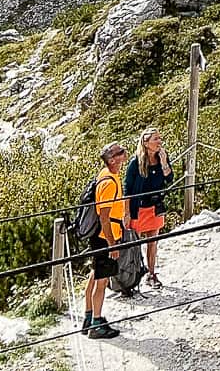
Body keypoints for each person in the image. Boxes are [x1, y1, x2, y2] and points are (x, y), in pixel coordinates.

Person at [83, 141, 130, 337]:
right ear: (112, 160)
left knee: (95, 274)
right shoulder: (109, 182)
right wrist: (112, 244)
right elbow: (104, 216)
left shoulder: (107, 175)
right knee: (102, 281)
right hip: (106, 236)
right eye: (120, 152)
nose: (124, 153)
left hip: (100, 236)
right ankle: (96, 324)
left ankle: (88, 316)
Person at [124, 130, 175, 292]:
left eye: (160, 138)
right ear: (146, 143)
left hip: (155, 207)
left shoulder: (161, 158)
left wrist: (165, 162)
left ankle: (151, 274)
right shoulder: (135, 162)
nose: (159, 141)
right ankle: (133, 277)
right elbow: (128, 189)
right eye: (156, 139)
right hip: (138, 209)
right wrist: (126, 213)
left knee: (153, 243)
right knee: (135, 245)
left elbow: (169, 178)